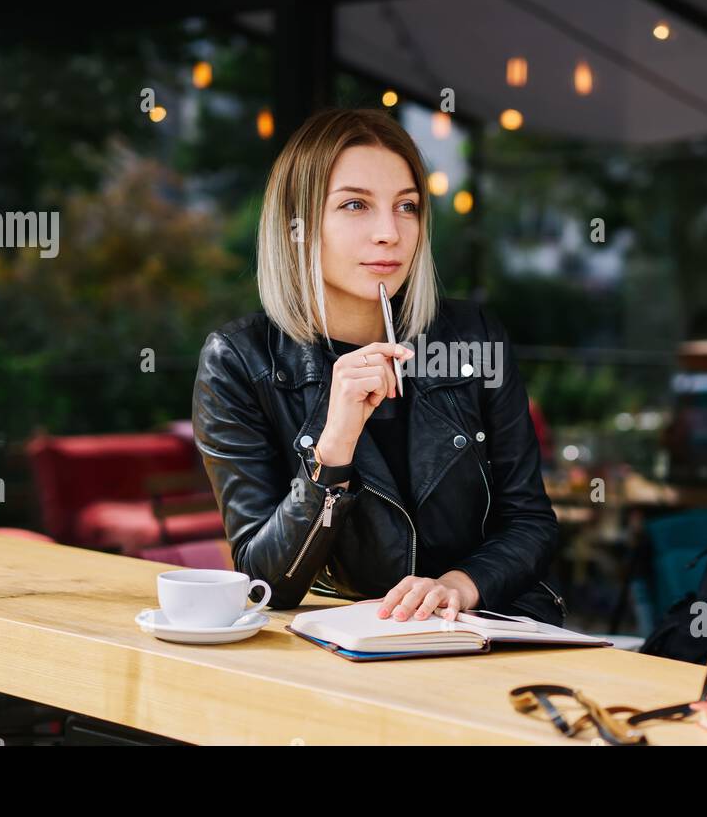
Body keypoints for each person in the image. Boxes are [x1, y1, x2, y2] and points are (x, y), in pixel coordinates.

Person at [191, 107, 566, 626]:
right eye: (355, 205)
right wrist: (334, 446)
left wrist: (456, 586)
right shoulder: (239, 360)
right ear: (296, 227)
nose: (390, 232)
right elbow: (264, 585)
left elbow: (529, 522)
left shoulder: (473, 336)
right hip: (338, 641)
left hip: (484, 627)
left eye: (406, 207)